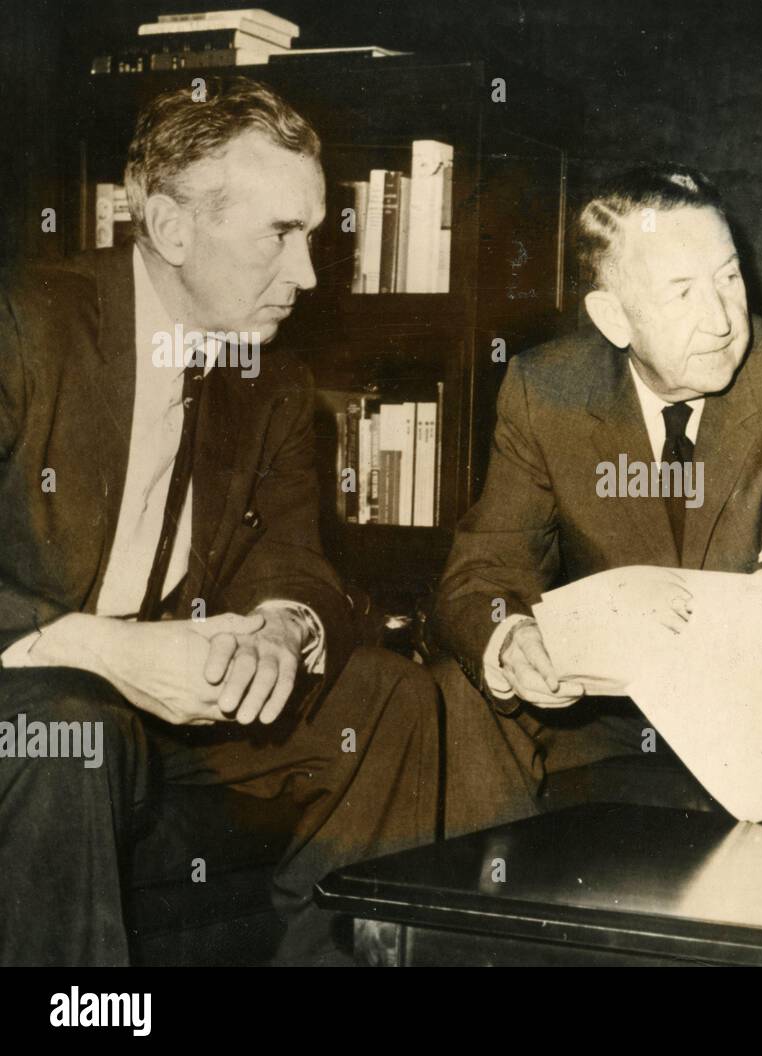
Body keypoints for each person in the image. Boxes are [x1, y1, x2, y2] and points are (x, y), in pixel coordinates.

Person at [0, 77, 447, 965]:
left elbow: (292, 559)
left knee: (394, 698)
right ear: (170, 229)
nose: (309, 274)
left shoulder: (267, 377)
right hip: (33, 690)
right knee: (71, 726)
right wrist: (101, 649)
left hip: (169, 708)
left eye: (313, 235)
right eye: (279, 236)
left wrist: (283, 629)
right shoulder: (25, 328)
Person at [425, 164, 762, 819]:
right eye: (681, 293)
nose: (721, 320)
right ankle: (489, 915)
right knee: (466, 682)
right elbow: (486, 567)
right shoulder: (547, 391)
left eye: (729, 278)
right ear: (613, 317)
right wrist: (510, 641)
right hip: (617, 709)